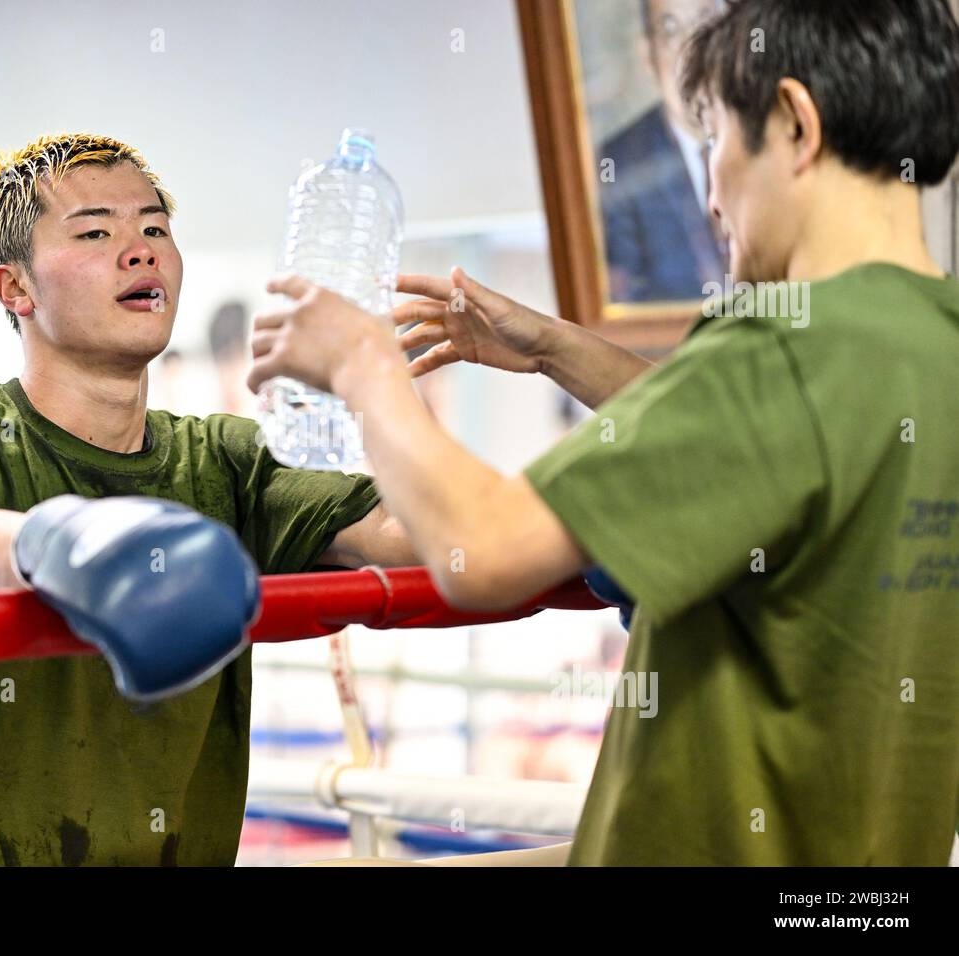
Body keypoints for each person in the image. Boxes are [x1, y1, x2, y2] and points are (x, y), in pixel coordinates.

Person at [247, 0, 959, 865]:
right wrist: (554, 349)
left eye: (719, 143)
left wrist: (364, 369)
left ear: (795, 124)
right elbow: (769, 443)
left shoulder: (780, 345)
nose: (712, 192)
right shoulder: (925, 342)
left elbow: (485, 550)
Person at [0, 133, 415, 867]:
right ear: (14, 287)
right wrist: (75, 547)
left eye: (155, 228)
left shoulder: (227, 461)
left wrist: (384, 383)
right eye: (94, 232)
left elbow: (414, 536)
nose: (141, 250)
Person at [599, 0, 725, 302]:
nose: (690, 50)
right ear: (648, 54)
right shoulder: (617, 164)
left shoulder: (773, 134)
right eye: (670, 31)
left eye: (705, 24)